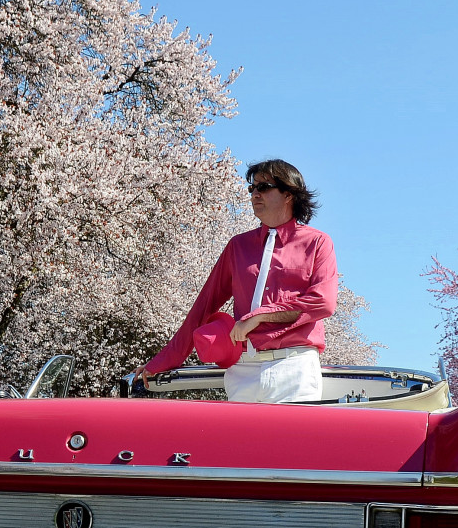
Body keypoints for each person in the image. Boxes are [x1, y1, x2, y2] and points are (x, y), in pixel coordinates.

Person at [137, 159, 337, 403]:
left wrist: (259, 316)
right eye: (252, 188)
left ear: (289, 194)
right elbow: (203, 306)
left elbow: (323, 303)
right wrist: (163, 360)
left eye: (264, 187)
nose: (255, 194)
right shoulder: (237, 246)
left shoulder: (318, 243)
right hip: (242, 370)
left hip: (295, 367)